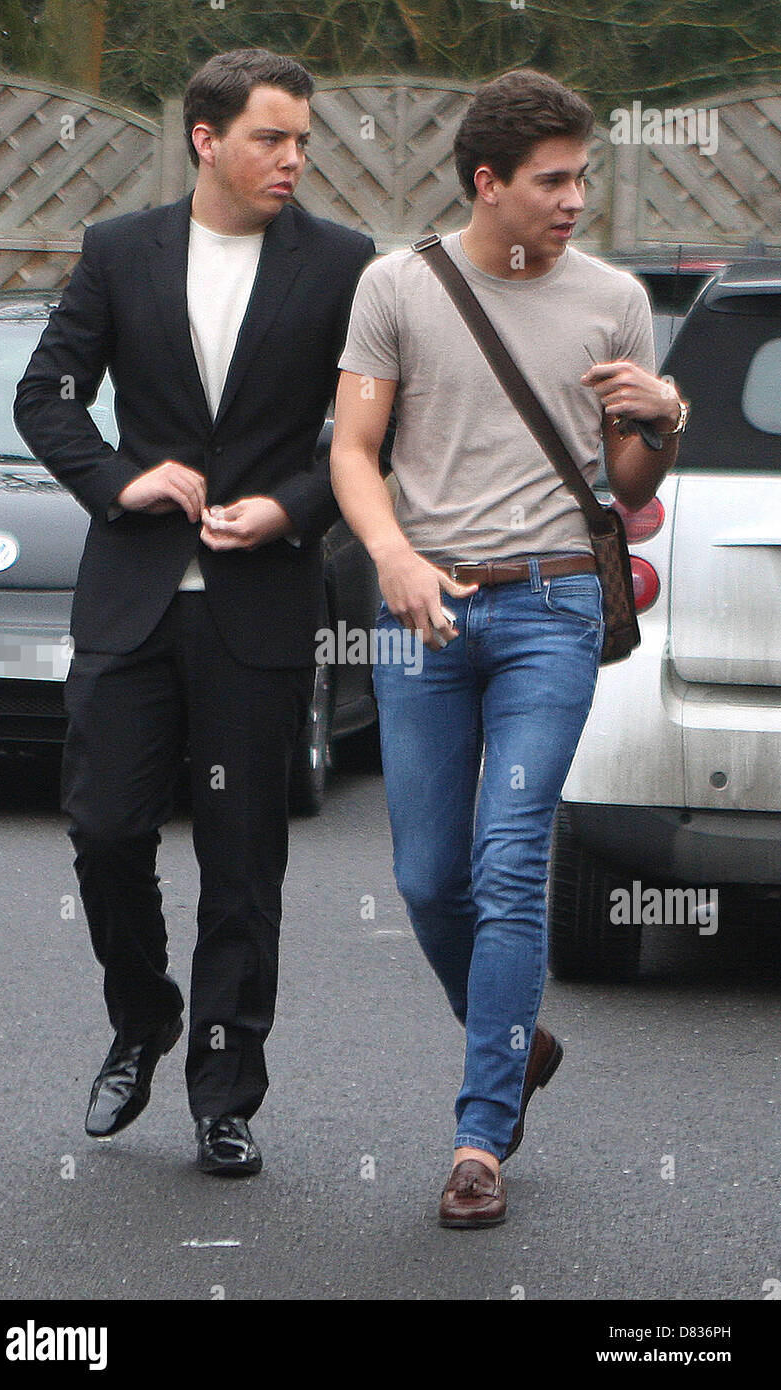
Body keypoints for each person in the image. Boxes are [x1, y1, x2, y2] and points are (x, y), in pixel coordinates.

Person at [330, 68, 687, 1226]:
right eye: (553, 180)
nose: (576, 197)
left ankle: (480, 1135)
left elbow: (626, 484)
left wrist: (661, 427)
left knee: (510, 857)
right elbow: (354, 448)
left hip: (553, 606)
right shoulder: (397, 286)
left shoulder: (614, 300)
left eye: (584, 176)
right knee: (428, 876)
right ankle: (515, 1040)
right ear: (487, 183)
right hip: (422, 606)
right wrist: (390, 553)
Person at [14, 48, 374, 1175]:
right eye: (273, 137)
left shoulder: (344, 264)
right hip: (132, 599)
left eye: (305, 140)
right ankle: (144, 1013)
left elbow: (369, 438)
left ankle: (226, 1092)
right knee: (107, 831)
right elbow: (46, 395)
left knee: (243, 862)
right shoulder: (122, 250)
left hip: (259, 608)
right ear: (206, 138)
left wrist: (291, 508)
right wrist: (119, 478)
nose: (295, 160)